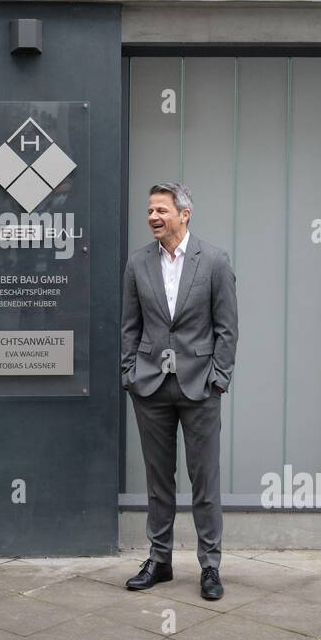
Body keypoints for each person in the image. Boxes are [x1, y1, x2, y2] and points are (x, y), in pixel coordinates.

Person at [120, 182, 238, 600]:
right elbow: (129, 327)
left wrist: (218, 380)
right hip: (151, 387)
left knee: (204, 479)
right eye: (150, 210)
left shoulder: (215, 262)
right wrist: (130, 374)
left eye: (161, 210)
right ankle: (160, 560)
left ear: (184, 214)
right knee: (158, 480)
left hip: (199, 386)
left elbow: (226, 329)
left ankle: (210, 566)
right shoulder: (138, 263)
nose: (153, 217)